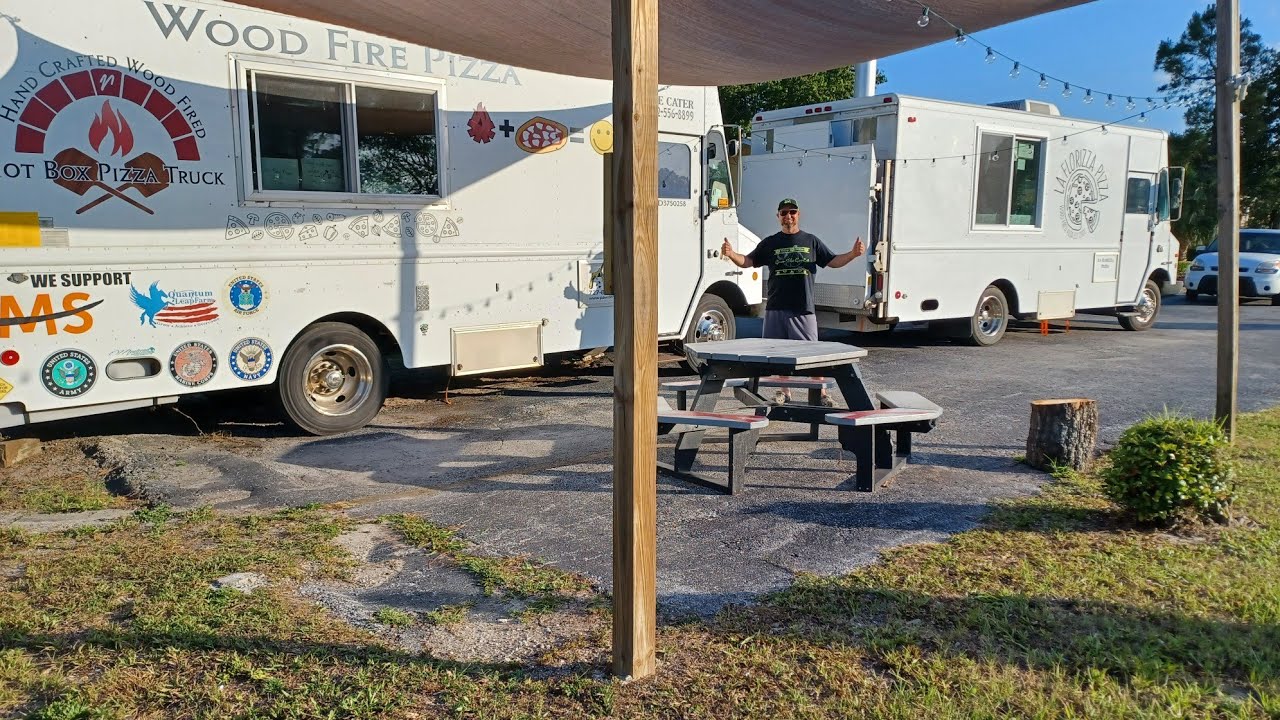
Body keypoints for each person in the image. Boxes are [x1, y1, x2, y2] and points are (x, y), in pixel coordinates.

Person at [720, 197, 865, 405]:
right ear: (778, 216)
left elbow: (832, 261)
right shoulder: (770, 242)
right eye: (784, 212)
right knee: (777, 354)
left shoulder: (811, 241)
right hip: (775, 308)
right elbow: (748, 261)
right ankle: (784, 392)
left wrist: (853, 254)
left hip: (803, 308)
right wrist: (732, 254)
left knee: (812, 354)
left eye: (792, 212)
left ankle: (821, 393)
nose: (788, 216)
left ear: (798, 214)